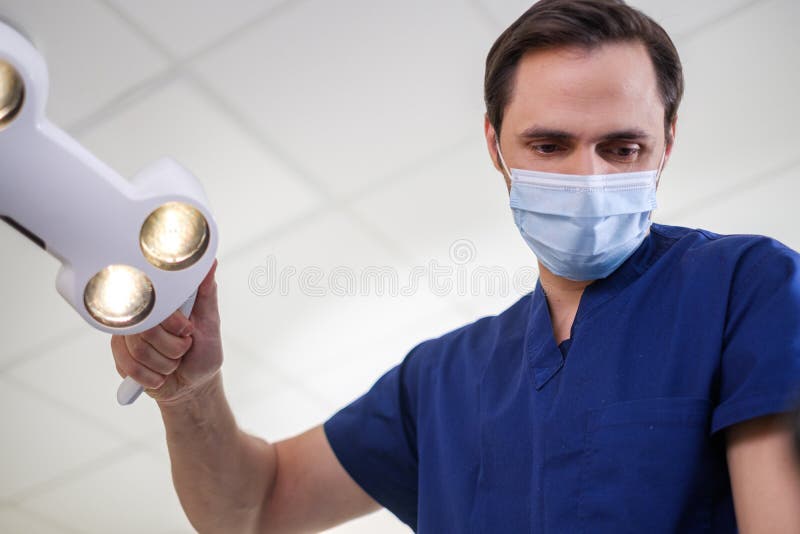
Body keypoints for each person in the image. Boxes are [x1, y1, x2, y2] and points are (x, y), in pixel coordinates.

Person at [110, 0, 800, 532]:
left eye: (621, 149)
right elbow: (250, 509)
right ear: (495, 144)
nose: (587, 178)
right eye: (550, 145)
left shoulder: (745, 288)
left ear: (668, 143)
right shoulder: (440, 383)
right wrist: (188, 394)